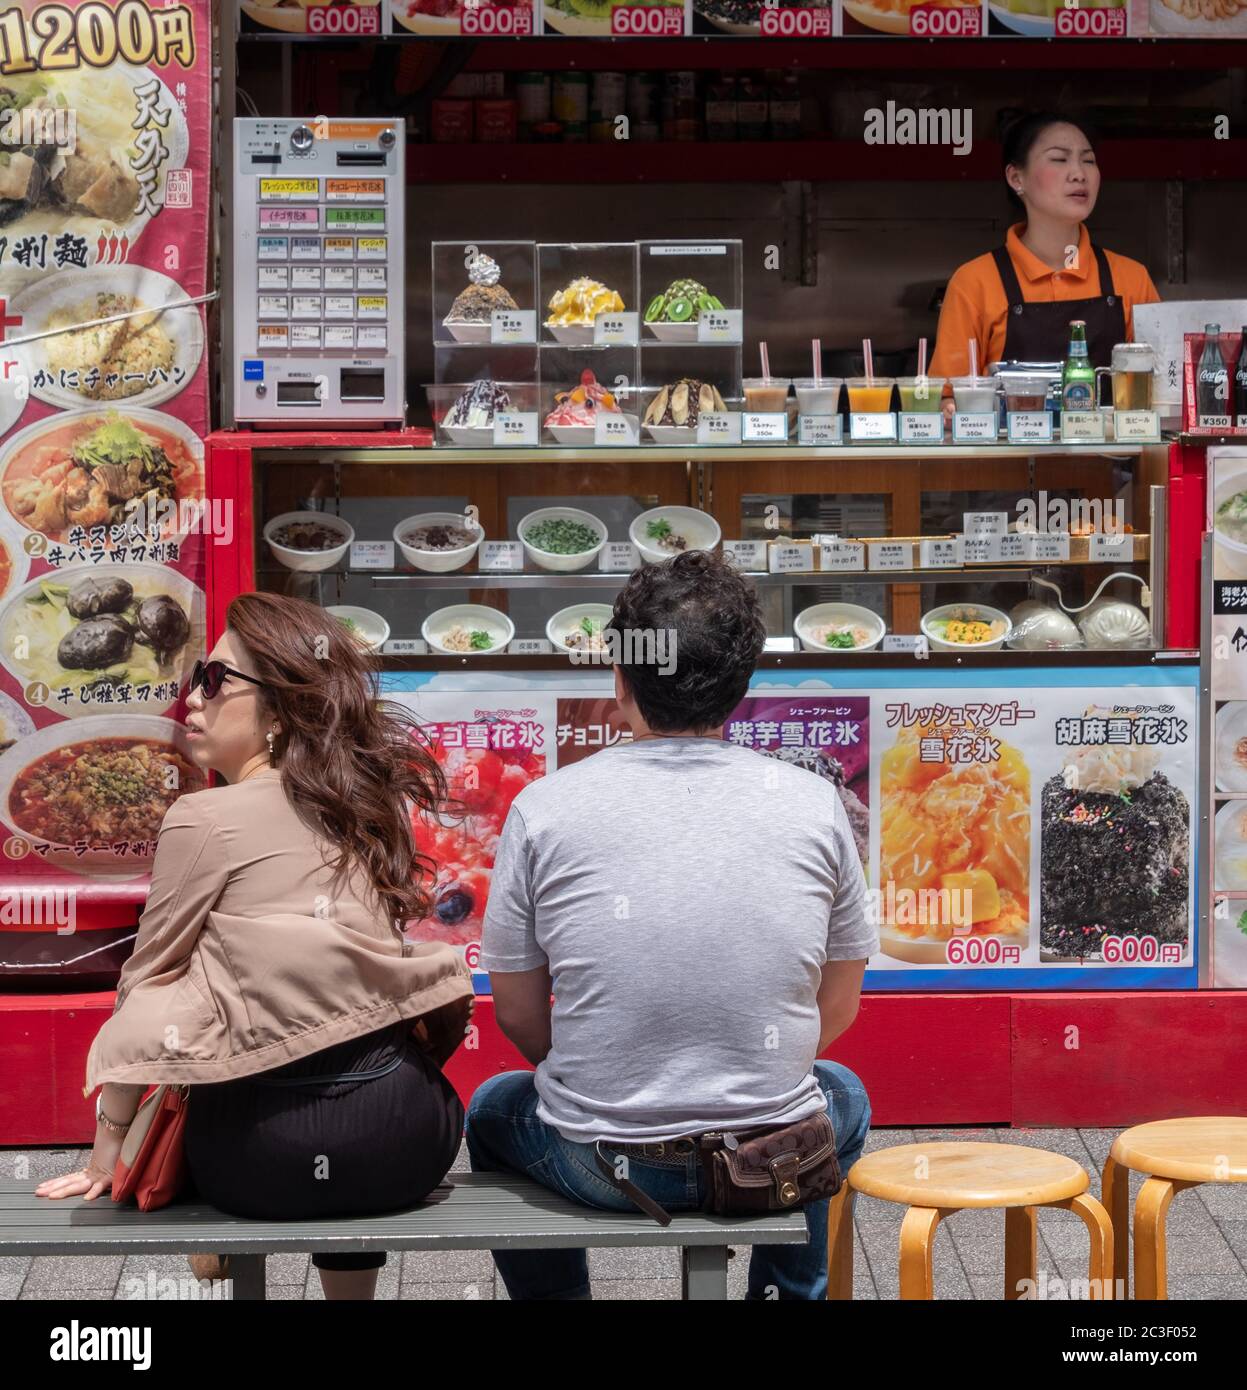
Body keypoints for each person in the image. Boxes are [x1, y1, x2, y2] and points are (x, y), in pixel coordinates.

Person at [36, 592, 475, 1301]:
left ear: (279, 707)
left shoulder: (204, 816)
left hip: (263, 1153)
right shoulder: (362, 802)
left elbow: (144, 981)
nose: (192, 702)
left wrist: (107, 1149)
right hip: (408, 1139)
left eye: (214, 682)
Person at [465, 549, 876, 1300]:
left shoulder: (544, 808)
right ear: (742, 684)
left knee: (494, 1109)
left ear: (618, 678)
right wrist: (750, 1080)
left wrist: (612, 1079)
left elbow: (520, 1016)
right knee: (839, 1094)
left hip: (603, 1164)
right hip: (769, 1153)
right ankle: (787, 1294)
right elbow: (838, 1003)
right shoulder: (817, 805)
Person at [930, 110, 1161, 393]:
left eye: (1088, 160)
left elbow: (1161, 393)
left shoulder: (1132, 279)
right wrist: (949, 406)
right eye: (1059, 159)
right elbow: (946, 398)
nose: (1079, 174)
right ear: (1017, 178)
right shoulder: (974, 282)